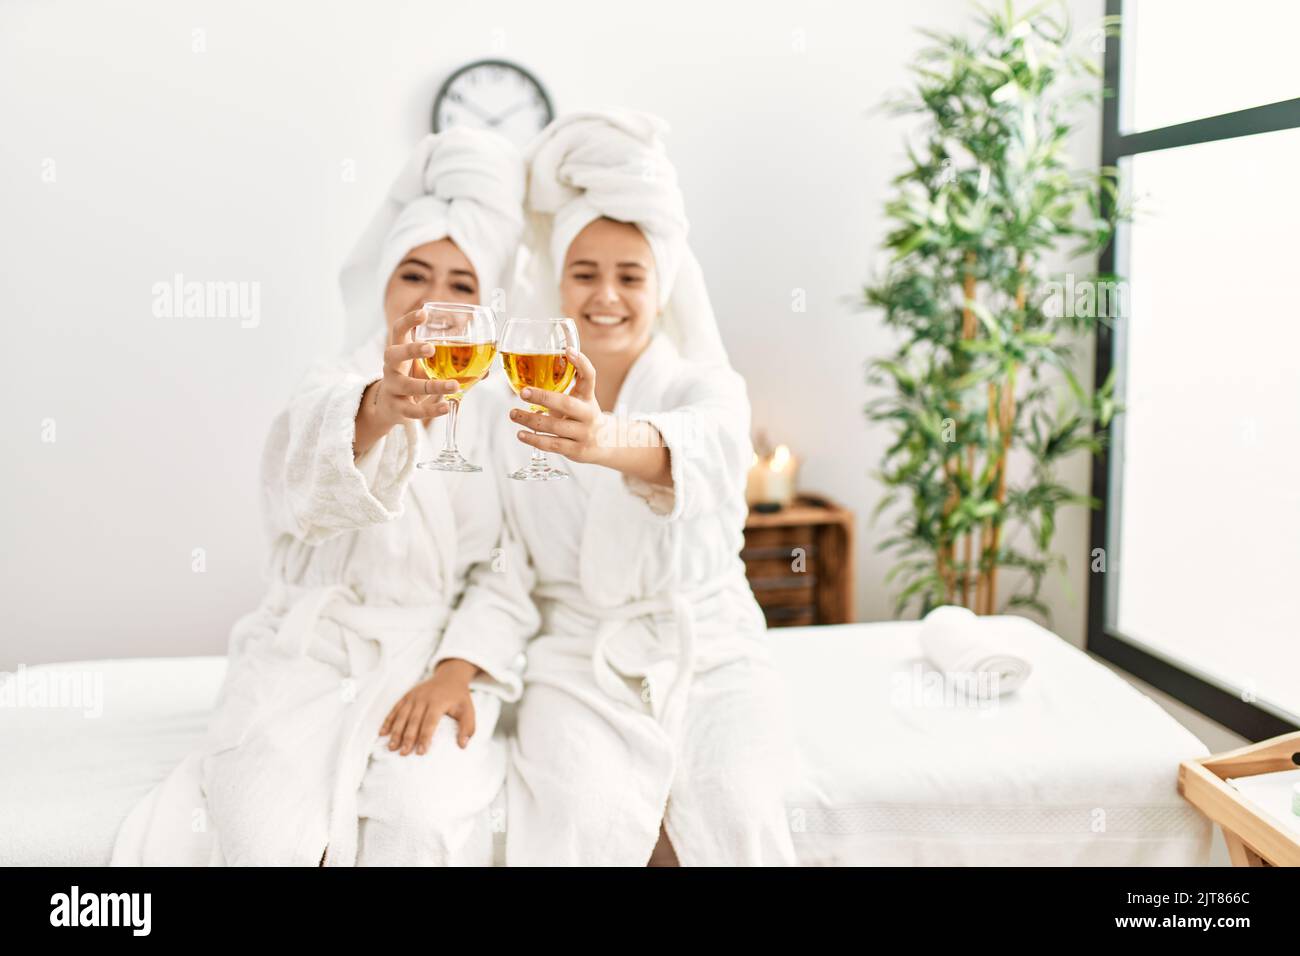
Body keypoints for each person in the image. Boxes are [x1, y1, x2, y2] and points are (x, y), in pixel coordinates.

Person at [111, 128, 536, 866]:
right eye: (413, 274)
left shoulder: (501, 416)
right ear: (382, 283)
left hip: (429, 658)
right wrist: (379, 406)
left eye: (461, 285)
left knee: (421, 819)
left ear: (487, 306)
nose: (433, 300)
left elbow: (508, 571)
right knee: (261, 831)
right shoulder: (332, 383)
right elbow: (299, 487)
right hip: (308, 659)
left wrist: (455, 672)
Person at [483, 110, 798, 865]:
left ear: (662, 290)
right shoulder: (511, 405)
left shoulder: (706, 385)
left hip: (709, 647)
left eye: (631, 276)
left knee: (735, 807)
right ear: (558, 281)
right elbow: (501, 563)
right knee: (579, 814)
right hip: (577, 653)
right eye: (584, 273)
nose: (606, 295)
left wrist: (607, 441)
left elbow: (715, 448)